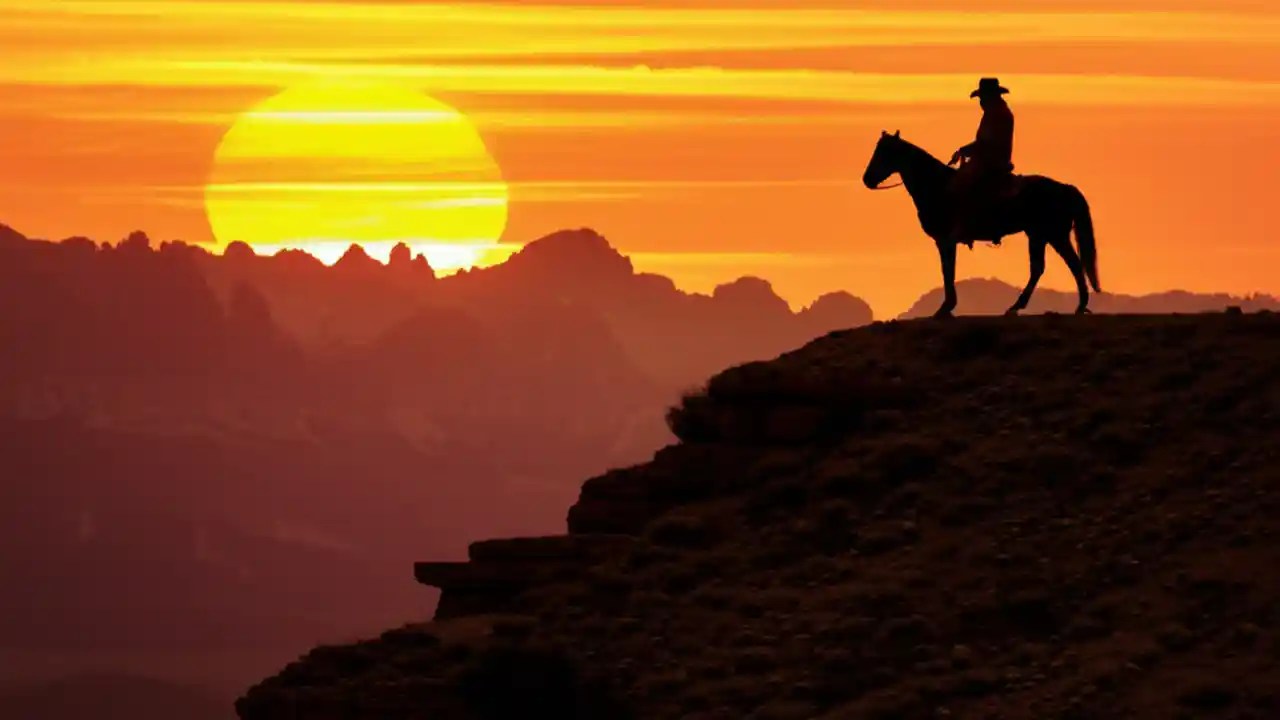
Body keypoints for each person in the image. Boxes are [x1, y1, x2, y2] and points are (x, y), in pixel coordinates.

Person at [947, 78, 1015, 246]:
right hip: (990, 158)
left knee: (961, 184)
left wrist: (964, 151)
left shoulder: (997, 114)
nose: (981, 102)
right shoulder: (997, 112)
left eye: (983, 98)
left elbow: (986, 143)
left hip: (993, 160)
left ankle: (965, 226)